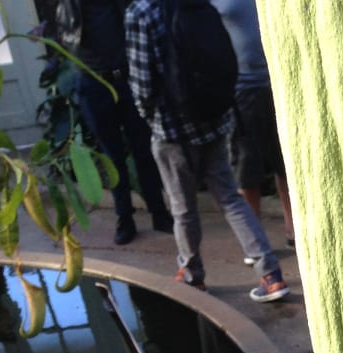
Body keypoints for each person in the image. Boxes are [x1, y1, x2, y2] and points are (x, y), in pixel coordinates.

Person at [124, 0, 291, 302]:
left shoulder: (141, 12)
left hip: (172, 130)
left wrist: (153, 120)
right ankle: (271, 276)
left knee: (183, 209)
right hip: (214, 119)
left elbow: (142, 84)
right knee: (231, 199)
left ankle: (192, 275)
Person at [35, 0, 173, 245]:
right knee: (111, 156)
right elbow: (64, 35)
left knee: (143, 150)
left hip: (128, 80)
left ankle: (158, 211)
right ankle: (125, 218)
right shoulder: (68, 4)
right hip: (93, 84)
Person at [211, 0, 295, 254]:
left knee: (287, 164)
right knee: (247, 170)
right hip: (241, 90)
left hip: (280, 83)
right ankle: (257, 244)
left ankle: (297, 231)